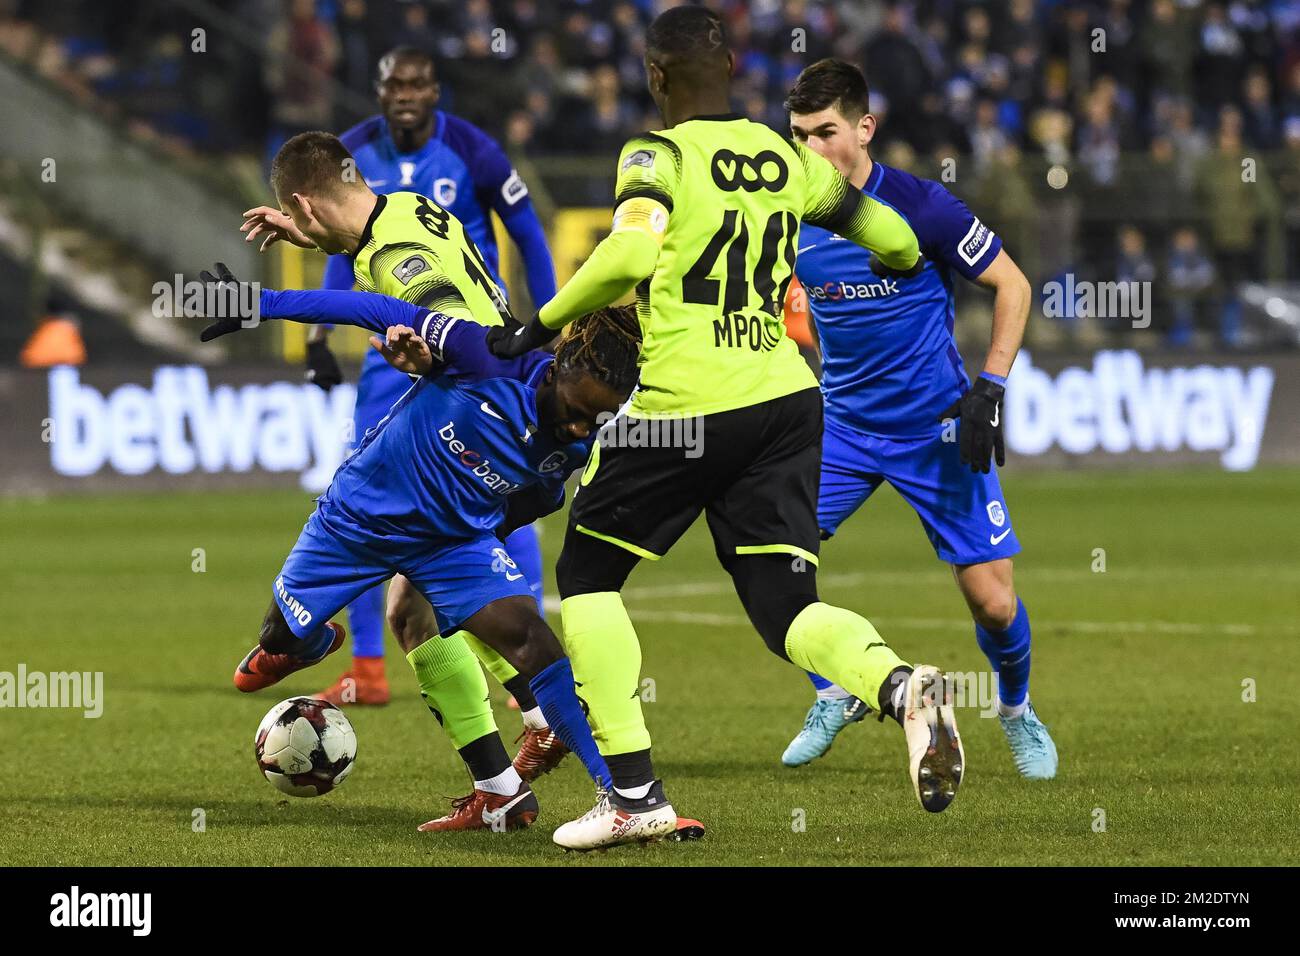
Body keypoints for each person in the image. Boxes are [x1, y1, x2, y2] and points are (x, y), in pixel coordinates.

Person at [489, 6, 964, 851]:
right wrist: (895, 265)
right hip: (786, 402)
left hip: (684, 409)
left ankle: (635, 797)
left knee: (588, 575)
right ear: (735, 67)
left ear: (655, 75)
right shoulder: (785, 159)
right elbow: (891, 237)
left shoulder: (655, 154)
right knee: (787, 607)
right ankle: (900, 689)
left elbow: (632, 257)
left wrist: (540, 322)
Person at [196, 267, 630, 831]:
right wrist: (262, 301)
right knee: (279, 639)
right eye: (576, 410)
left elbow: (541, 498)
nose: (579, 428)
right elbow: (372, 309)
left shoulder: (578, 440)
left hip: (453, 541)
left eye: (595, 419)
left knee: (532, 639)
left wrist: (481, 539)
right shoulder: (487, 354)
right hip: (356, 520)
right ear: (558, 373)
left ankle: (615, 796)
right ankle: (313, 641)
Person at [240, 130, 567, 787]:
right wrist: (316, 236)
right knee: (413, 610)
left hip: (476, 431)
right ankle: (507, 783)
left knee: (423, 572)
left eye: (303, 220)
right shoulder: (411, 205)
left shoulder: (396, 256)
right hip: (528, 423)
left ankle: (556, 732)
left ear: (304, 205)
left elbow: (435, 299)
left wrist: (431, 348)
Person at [779, 59, 1057, 780]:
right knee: (771, 561)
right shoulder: (785, 214)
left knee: (994, 604)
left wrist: (989, 389)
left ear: (865, 128)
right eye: (799, 135)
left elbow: (1012, 285)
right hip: (840, 429)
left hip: (935, 428)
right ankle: (833, 690)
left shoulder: (921, 206)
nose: (810, 152)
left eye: (826, 133)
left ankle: (1018, 712)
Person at [304, 47, 557, 732]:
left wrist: (549, 319)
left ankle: (519, 649)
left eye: (417, 84)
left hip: (468, 355)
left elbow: (528, 234)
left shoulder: (473, 149)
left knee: (495, 492)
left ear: (435, 90)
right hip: (391, 353)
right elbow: (340, 249)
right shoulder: (352, 152)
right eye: (394, 85)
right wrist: (318, 338)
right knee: (358, 494)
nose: (406, 95)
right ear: (380, 91)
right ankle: (366, 667)